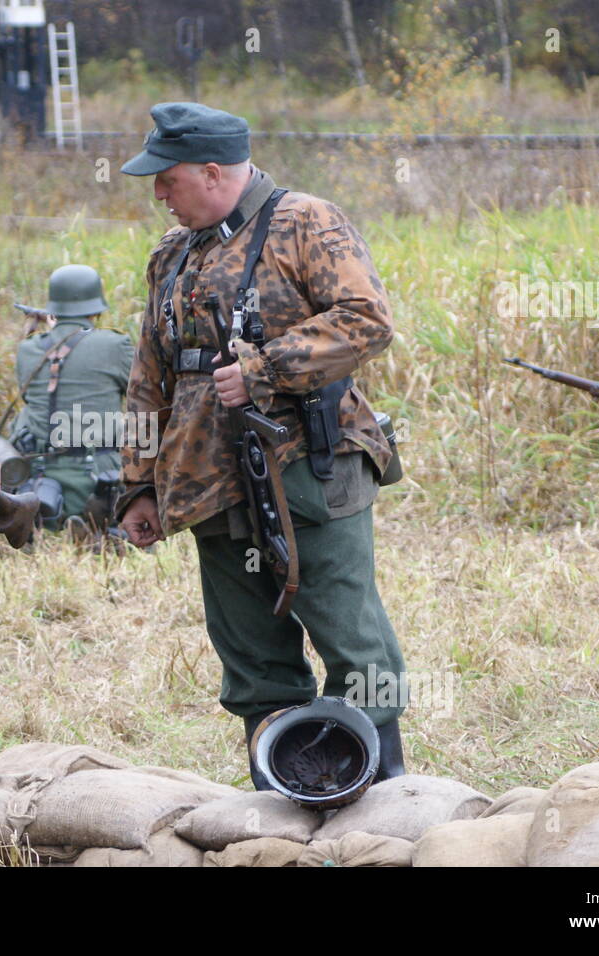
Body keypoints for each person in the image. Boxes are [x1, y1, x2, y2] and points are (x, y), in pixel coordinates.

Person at [116, 102, 408, 787]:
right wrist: (136, 483)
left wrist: (264, 368)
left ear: (212, 171)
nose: (158, 193)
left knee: (354, 642)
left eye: (167, 178)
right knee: (251, 657)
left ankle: (382, 791)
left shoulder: (304, 221)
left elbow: (367, 320)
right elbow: (149, 374)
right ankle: (282, 792)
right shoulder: (171, 253)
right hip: (207, 482)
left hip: (309, 467)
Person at [8, 264, 133, 540]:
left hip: (40, 482)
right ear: (96, 308)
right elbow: (140, 394)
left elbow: (32, 398)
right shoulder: (115, 345)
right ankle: (96, 527)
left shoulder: (29, 349)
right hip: (98, 478)